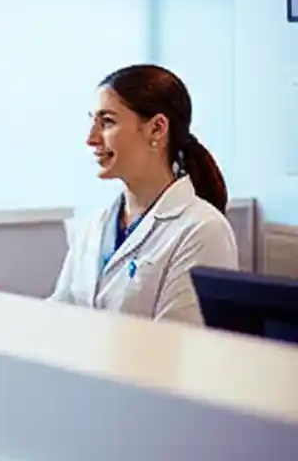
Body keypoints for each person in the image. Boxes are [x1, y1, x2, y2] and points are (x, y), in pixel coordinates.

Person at [48, 64, 239, 323]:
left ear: (157, 128)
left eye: (107, 122)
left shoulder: (203, 230)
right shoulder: (96, 224)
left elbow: (182, 345)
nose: (91, 138)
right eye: (93, 121)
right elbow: (59, 314)